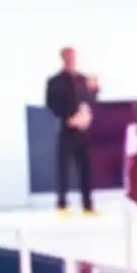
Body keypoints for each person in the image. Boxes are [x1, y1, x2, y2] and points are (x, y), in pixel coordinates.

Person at [44, 47, 100, 216]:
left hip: (82, 130)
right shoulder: (55, 81)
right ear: (63, 58)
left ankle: (87, 205)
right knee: (63, 168)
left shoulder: (83, 79)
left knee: (85, 168)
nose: (71, 59)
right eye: (68, 57)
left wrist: (95, 89)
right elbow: (51, 103)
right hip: (66, 128)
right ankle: (62, 205)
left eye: (73, 56)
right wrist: (67, 117)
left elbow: (91, 100)